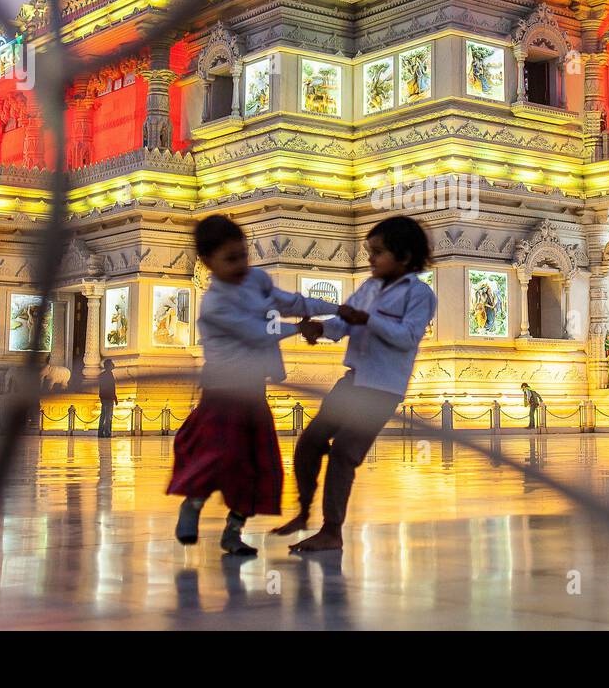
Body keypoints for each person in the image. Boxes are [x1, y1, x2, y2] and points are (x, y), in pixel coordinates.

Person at [168, 215, 335, 555]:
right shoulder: (214, 303)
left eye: (243, 254)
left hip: (253, 391)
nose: (241, 264)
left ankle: (234, 530)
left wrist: (336, 308)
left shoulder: (256, 280)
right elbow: (254, 333)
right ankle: (193, 505)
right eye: (230, 259)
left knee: (258, 465)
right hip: (222, 392)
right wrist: (300, 330)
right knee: (217, 456)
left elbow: (290, 303)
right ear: (207, 262)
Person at [274, 216, 436, 552]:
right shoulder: (369, 287)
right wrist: (322, 329)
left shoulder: (420, 295)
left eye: (377, 252)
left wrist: (368, 320)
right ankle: (304, 512)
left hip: (382, 388)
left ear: (404, 257)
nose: (371, 259)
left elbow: (407, 337)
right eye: (369, 252)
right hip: (353, 380)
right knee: (309, 442)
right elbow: (345, 323)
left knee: (344, 453)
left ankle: (332, 530)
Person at [97, 358, 117, 438]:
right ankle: (107, 433)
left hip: (105, 397)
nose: (113, 365)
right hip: (108, 398)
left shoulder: (103, 375)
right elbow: (110, 388)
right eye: (112, 364)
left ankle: (101, 432)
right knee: (108, 416)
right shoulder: (108, 375)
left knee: (103, 415)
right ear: (108, 366)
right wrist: (113, 397)